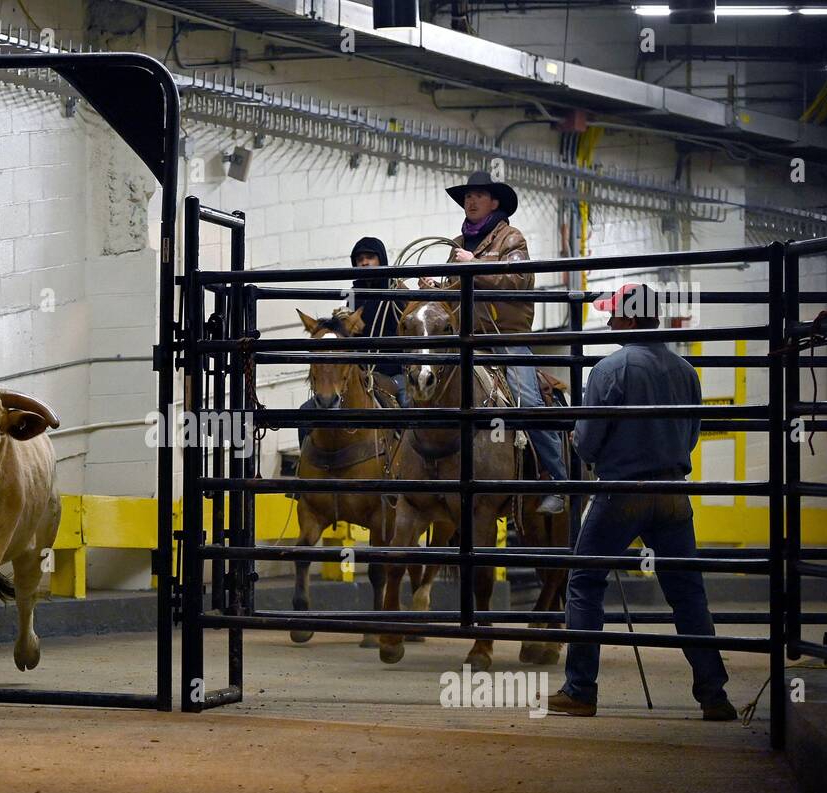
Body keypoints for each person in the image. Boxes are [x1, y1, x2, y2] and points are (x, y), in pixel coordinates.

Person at [546, 283, 737, 721]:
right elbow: (690, 436)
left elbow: (589, 443)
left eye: (615, 315)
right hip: (673, 492)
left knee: (585, 582)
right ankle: (714, 695)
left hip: (622, 492)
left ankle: (580, 690)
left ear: (631, 319)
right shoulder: (686, 371)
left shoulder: (610, 368)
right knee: (688, 595)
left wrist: (579, 439)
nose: (610, 321)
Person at [421, 171, 567, 514]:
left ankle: (558, 481)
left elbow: (519, 279)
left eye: (478, 195)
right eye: (467, 197)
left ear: (495, 202)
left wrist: (476, 265)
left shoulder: (511, 238)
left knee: (527, 399)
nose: (470, 201)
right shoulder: (458, 244)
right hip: (465, 339)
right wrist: (434, 287)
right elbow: (453, 296)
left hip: (504, 337)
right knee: (426, 384)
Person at [297, 237, 415, 445]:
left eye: (370, 257)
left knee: (408, 405)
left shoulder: (397, 290)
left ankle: (411, 462)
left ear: (381, 260)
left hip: (394, 371)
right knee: (306, 412)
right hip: (361, 372)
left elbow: (413, 324)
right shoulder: (352, 295)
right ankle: (307, 461)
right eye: (360, 259)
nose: (365, 263)